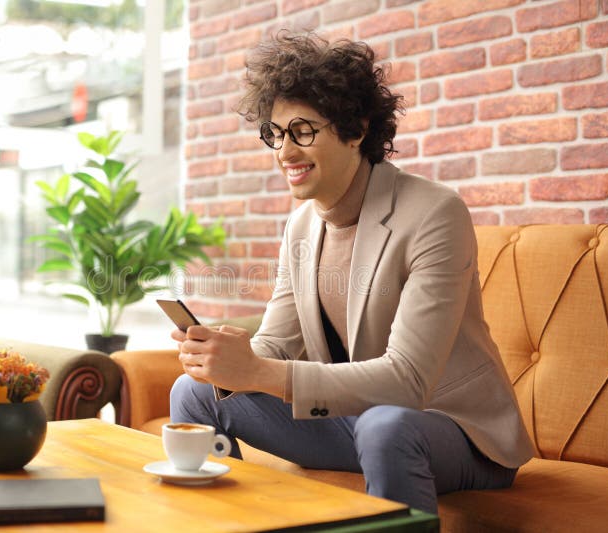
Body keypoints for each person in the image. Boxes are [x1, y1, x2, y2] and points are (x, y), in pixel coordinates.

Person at [169, 32, 534, 514]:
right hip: (356, 420)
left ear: (356, 127)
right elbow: (276, 345)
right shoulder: (301, 226)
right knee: (196, 391)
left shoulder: (434, 213)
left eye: (302, 131)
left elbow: (407, 383)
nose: (284, 152)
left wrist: (260, 371)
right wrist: (229, 358)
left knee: (386, 425)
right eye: (275, 135)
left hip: (453, 430)